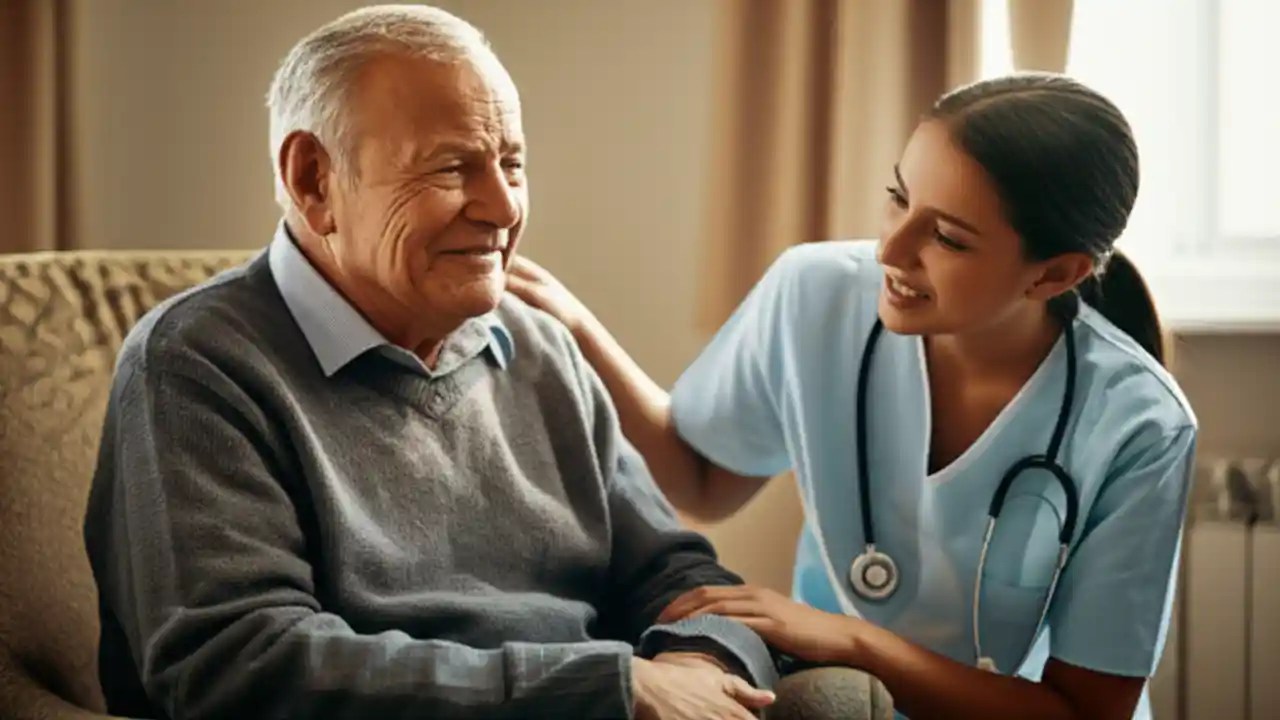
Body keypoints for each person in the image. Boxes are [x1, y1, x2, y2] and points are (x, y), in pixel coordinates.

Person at [83, 6, 782, 719]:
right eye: (452, 168)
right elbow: (236, 665)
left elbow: (687, 580)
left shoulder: (540, 346)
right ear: (313, 180)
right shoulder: (196, 363)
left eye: (513, 163)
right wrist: (609, 689)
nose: (504, 207)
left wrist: (699, 663)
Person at [507, 73, 1197, 720]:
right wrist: (574, 326)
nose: (891, 251)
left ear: (1053, 275)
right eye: (898, 198)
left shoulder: (1142, 424)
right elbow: (702, 479)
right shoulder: (815, 293)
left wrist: (853, 641)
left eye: (948, 238)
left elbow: (1085, 712)